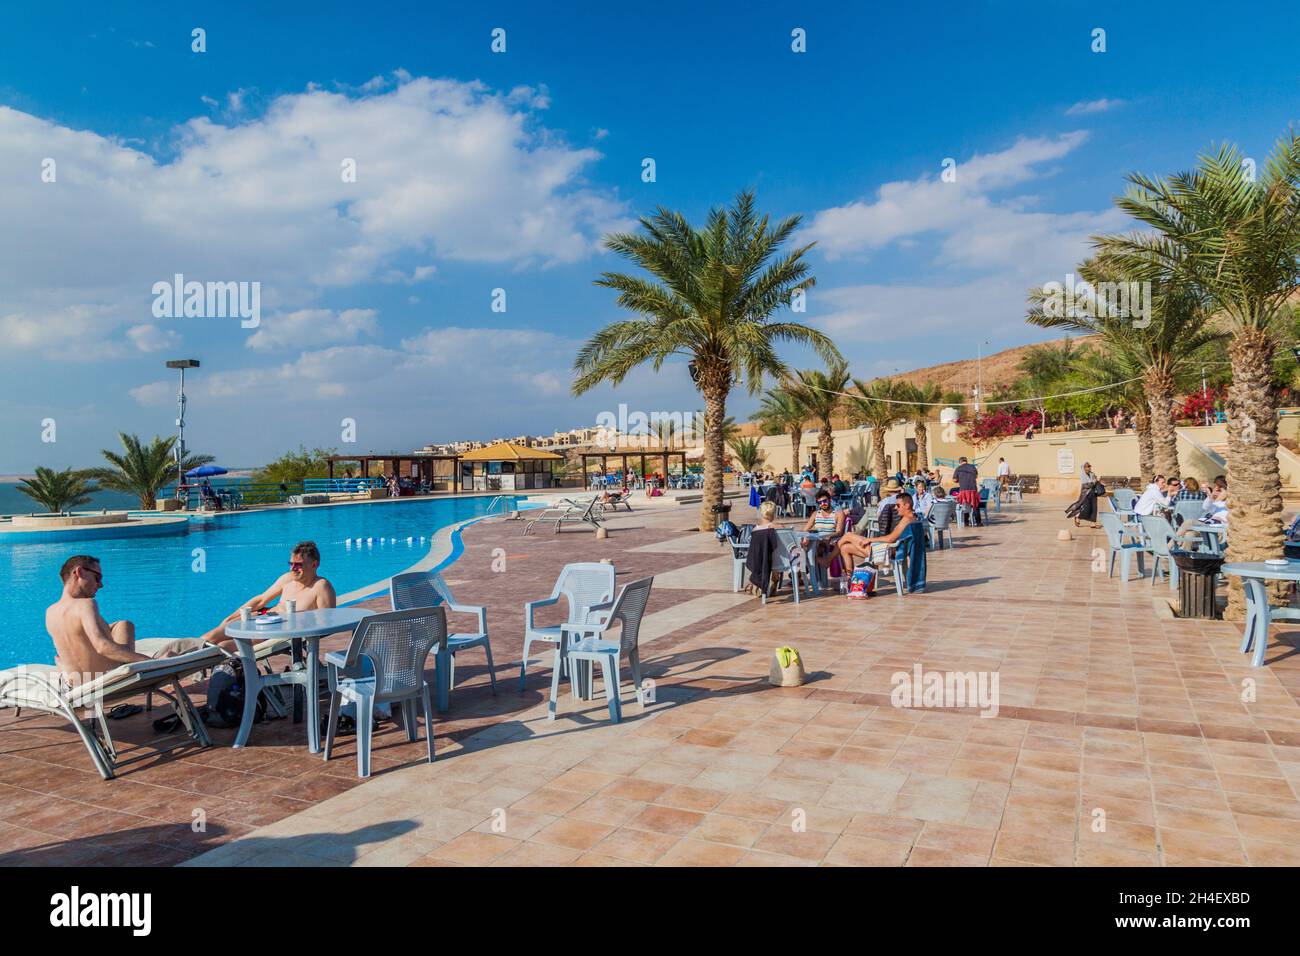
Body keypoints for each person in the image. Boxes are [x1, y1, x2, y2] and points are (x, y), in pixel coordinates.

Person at [45, 556, 199, 688]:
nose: (100, 585)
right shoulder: (85, 605)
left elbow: (77, 639)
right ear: (79, 572)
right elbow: (102, 646)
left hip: (76, 684)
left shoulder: (50, 612)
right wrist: (153, 662)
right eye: (97, 578)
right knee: (172, 655)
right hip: (106, 681)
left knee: (124, 624)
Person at [198, 541, 336, 650]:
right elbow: (261, 600)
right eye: (291, 564)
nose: (292, 569)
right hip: (261, 618)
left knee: (223, 647)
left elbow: (326, 623)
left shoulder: (321, 586)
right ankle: (179, 657)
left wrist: (295, 621)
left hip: (276, 633)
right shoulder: (287, 579)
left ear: (314, 564)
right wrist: (230, 618)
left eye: (298, 565)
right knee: (209, 637)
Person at [837, 492, 919, 574]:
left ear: (907, 505)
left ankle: (827, 560)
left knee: (848, 535)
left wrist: (869, 539)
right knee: (845, 548)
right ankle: (848, 578)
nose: (895, 508)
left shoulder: (906, 520)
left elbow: (890, 538)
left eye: (898, 505)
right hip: (895, 549)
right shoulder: (913, 518)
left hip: (889, 551)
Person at [801, 489, 847, 573]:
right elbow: (805, 529)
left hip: (830, 540)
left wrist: (828, 536)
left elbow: (839, 531)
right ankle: (809, 566)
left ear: (830, 500)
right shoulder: (815, 514)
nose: (823, 504)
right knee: (800, 545)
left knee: (814, 547)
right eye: (820, 503)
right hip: (817, 539)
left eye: (825, 501)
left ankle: (804, 570)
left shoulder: (838, 513)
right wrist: (809, 534)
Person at [952, 456, 982, 527]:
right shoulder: (973, 467)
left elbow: (954, 480)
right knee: (975, 505)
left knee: (965, 505)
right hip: (973, 489)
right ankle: (978, 522)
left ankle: (966, 522)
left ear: (960, 462)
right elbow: (976, 476)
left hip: (963, 490)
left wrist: (960, 479)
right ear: (966, 461)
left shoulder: (958, 468)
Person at [1074, 461, 1101, 528]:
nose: (1089, 467)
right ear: (1084, 468)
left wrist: (1098, 482)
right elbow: (1086, 485)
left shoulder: (1092, 474)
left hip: (1093, 493)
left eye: (1089, 466)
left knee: (1094, 508)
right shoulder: (1082, 475)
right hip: (1085, 494)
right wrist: (1093, 482)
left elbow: (1095, 481)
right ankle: (1078, 517)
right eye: (1088, 466)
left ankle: (1093, 523)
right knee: (1086, 508)